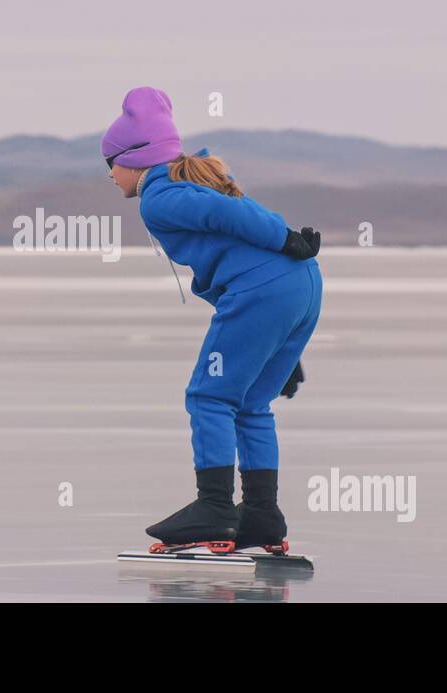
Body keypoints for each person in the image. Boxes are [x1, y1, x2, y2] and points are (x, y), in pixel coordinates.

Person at [102, 86, 323, 549]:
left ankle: (215, 507)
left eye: (110, 164)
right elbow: (234, 226)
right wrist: (277, 348)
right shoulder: (187, 182)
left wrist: (285, 239)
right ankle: (261, 514)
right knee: (250, 403)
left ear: (134, 159)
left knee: (208, 396)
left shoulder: (159, 197)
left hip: (268, 286)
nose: (109, 176)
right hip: (299, 287)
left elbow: (229, 211)